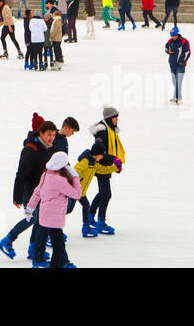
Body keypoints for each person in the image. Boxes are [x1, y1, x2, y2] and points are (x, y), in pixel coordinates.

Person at [0, 116, 57, 260]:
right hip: (29, 190)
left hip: (42, 190)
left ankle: (31, 248)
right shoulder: (31, 149)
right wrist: (17, 197)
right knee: (35, 218)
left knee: (37, 218)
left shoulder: (47, 148)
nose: (52, 138)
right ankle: (10, 241)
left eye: (54, 135)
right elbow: (21, 174)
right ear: (41, 133)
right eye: (49, 134)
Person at [26, 152, 82, 268]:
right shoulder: (60, 180)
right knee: (59, 247)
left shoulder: (45, 174)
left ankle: (37, 260)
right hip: (54, 219)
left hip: (44, 215)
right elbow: (77, 194)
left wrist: (30, 208)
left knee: (42, 238)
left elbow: (37, 193)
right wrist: (75, 177)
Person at [84, 106, 125, 236]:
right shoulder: (102, 132)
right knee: (106, 194)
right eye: (115, 117)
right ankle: (101, 221)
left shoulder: (110, 130)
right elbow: (98, 150)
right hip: (101, 166)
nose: (117, 119)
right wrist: (113, 158)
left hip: (106, 165)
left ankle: (90, 215)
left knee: (102, 193)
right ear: (109, 118)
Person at [165, 26, 190, 104]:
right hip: (172, 64)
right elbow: (166, 48)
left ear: (177, 34)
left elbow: (187, 53)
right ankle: (179, 97)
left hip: (180, 65)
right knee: (174, 81)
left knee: (178, 81)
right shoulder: (170, 41)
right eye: (171, 36)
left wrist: (182, 61)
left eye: (174, 35)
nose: (172, 37)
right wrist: (168, 51)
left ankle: (176, 98)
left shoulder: (184, 41)